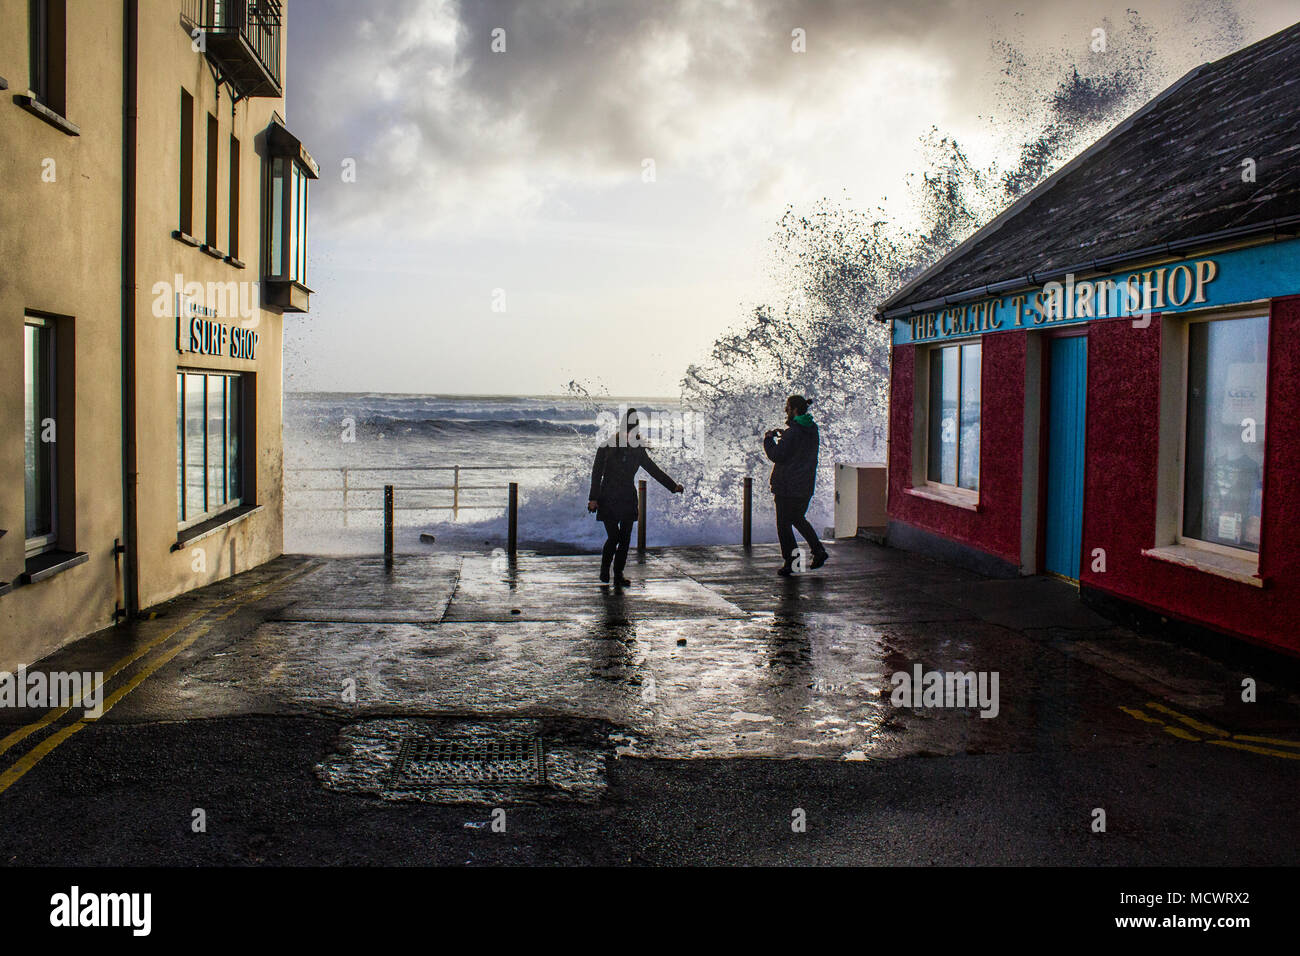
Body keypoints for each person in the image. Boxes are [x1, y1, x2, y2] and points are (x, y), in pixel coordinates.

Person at [588, 408, 684, 587]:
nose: (630, 434)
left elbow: (654, 471)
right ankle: (604, 569)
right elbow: (596, 474)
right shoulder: (606, 447)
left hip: (627, 498)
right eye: (627, 430)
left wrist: (673, 486)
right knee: (614, 537)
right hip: (607, 497)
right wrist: (593, 499)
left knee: (624, 539)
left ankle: (618, 574)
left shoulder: (638, 450)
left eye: (633, 430)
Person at [763, 394, 829, 576]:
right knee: (798, 519)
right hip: (805, 485)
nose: (785, 410)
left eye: (787, 407)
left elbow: (777, 455)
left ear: (794, 410)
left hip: (787, 486)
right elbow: (798, 446)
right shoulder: (812, 429)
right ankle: (818, 551)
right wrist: (785, 435)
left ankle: (793, 562)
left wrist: (768, 439)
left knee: (784, 525)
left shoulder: (794, 432)